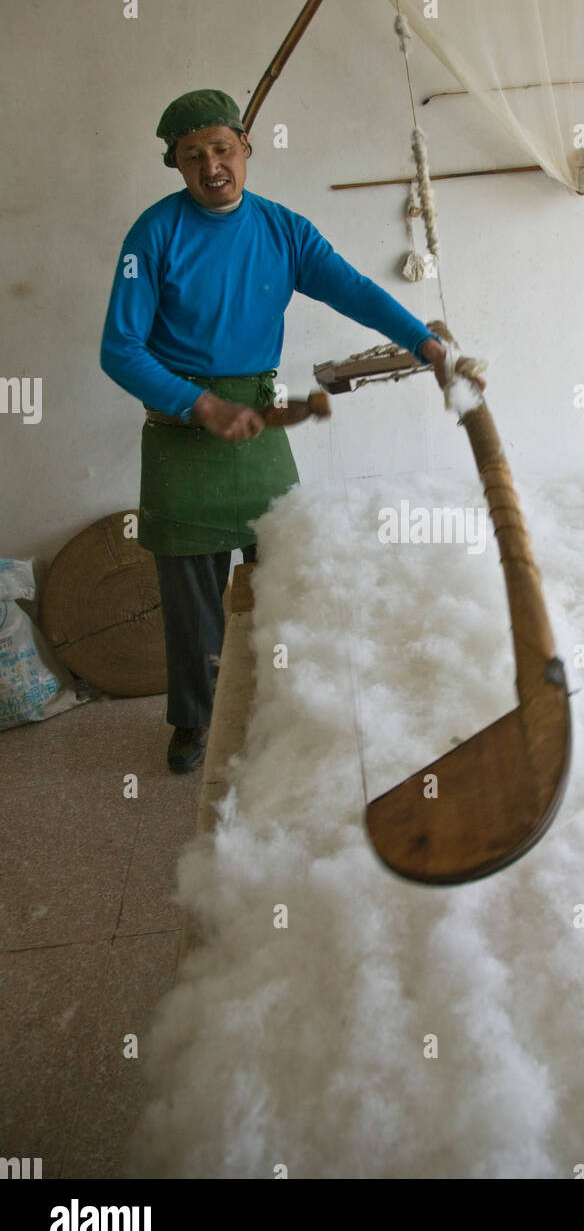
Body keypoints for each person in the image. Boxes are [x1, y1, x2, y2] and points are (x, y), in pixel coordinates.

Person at [101, 88, 457, 773]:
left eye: (223, 149)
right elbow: (120, 348)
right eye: (193, 155)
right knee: (191, 597)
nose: (212, 166)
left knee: (283, 580)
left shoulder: (283, 229)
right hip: (181, 429)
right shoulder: (154, 233)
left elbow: (353, 288)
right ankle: (196, 722)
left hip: (261, 423)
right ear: (174, 163)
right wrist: (199, 406)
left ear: (245, 149)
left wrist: (424, 344)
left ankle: (279, 708)